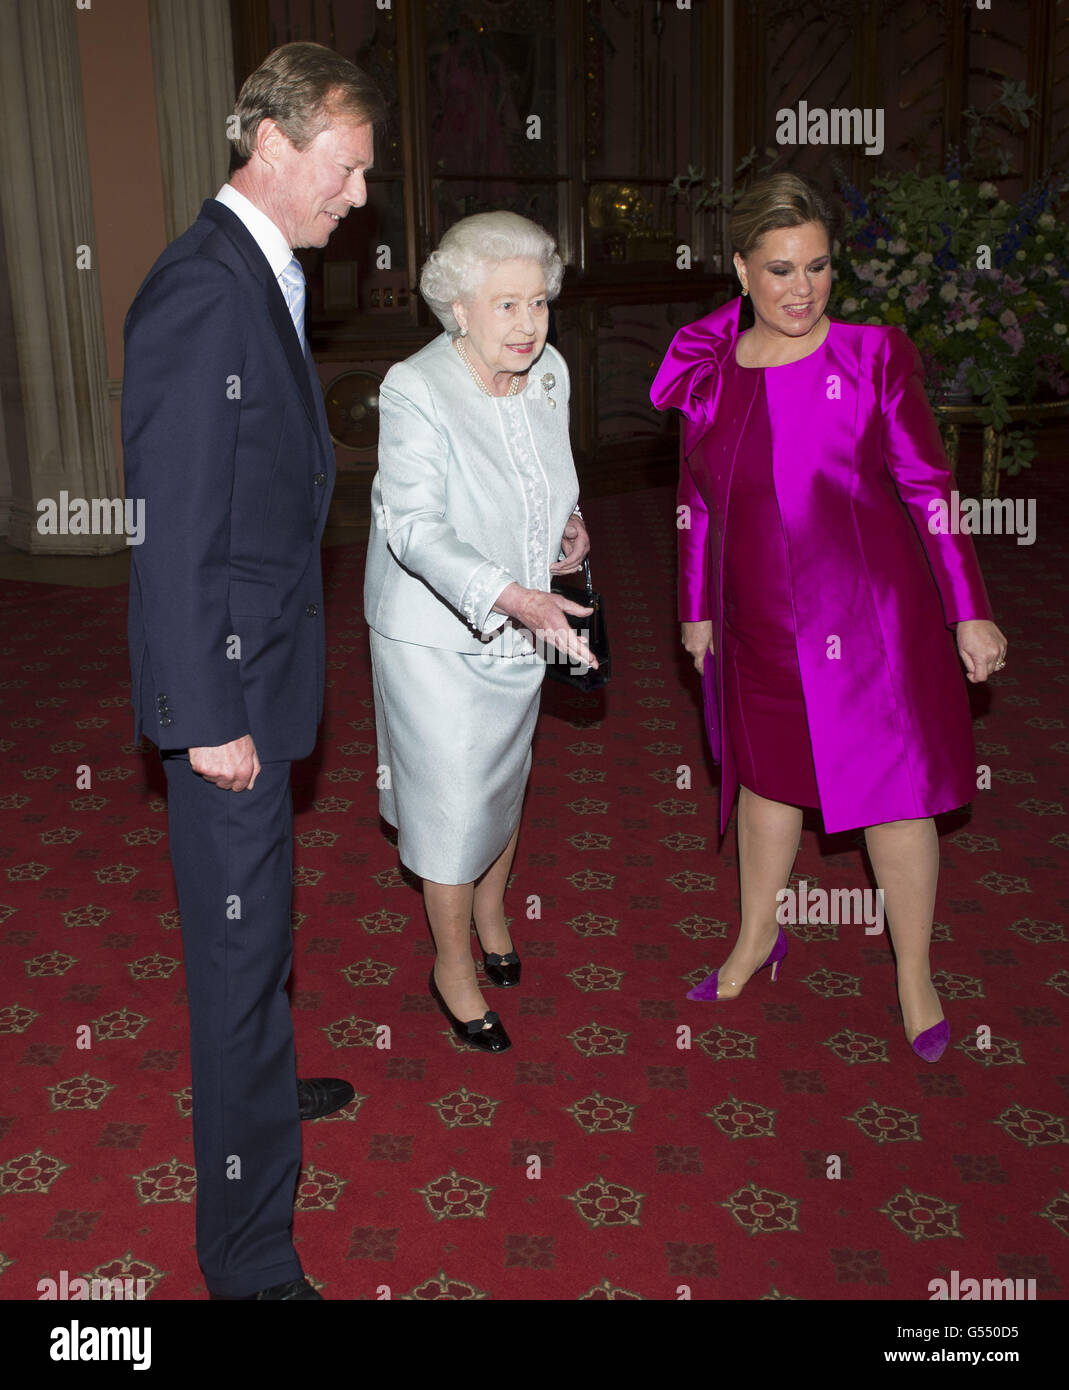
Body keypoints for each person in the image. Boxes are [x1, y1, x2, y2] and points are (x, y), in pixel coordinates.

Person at [123, 42, 386, 1300]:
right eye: (345, 168)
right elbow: (172, 528)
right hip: (227, 689)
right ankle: (247, 1259)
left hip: (264, 665)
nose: (358, 195)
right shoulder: (203, 291)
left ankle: (270, 1086)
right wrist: (207, 715)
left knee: (261, 925)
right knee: (234, 967)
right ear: (272, 145)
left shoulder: (262, 269)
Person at [650, 172, 1006, 1064]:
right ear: (739, 271)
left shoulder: (872, 355)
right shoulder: (705, 375)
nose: (800, 288)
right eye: (777, 269)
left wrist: (969, 611)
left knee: (893, 797)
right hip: (754, 616)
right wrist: (694, 611)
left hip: (871, 624)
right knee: (767, 783)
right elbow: (697, 504)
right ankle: (754, 937)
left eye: (815, 266)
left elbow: (929, 489)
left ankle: (913, 970)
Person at [364, 211, 594, 1053]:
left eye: (538, 303)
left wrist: (568, 526)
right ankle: (450, 966)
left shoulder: (548, 371)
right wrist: (511, 595)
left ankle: (493, 912)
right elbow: (413, 527)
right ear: (457, 307)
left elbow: (544, 474)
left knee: (503, 777)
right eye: (506, 306)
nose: (529, 325)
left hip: (520, 618)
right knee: (450, 802)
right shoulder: (414, 387)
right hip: (435, 632)